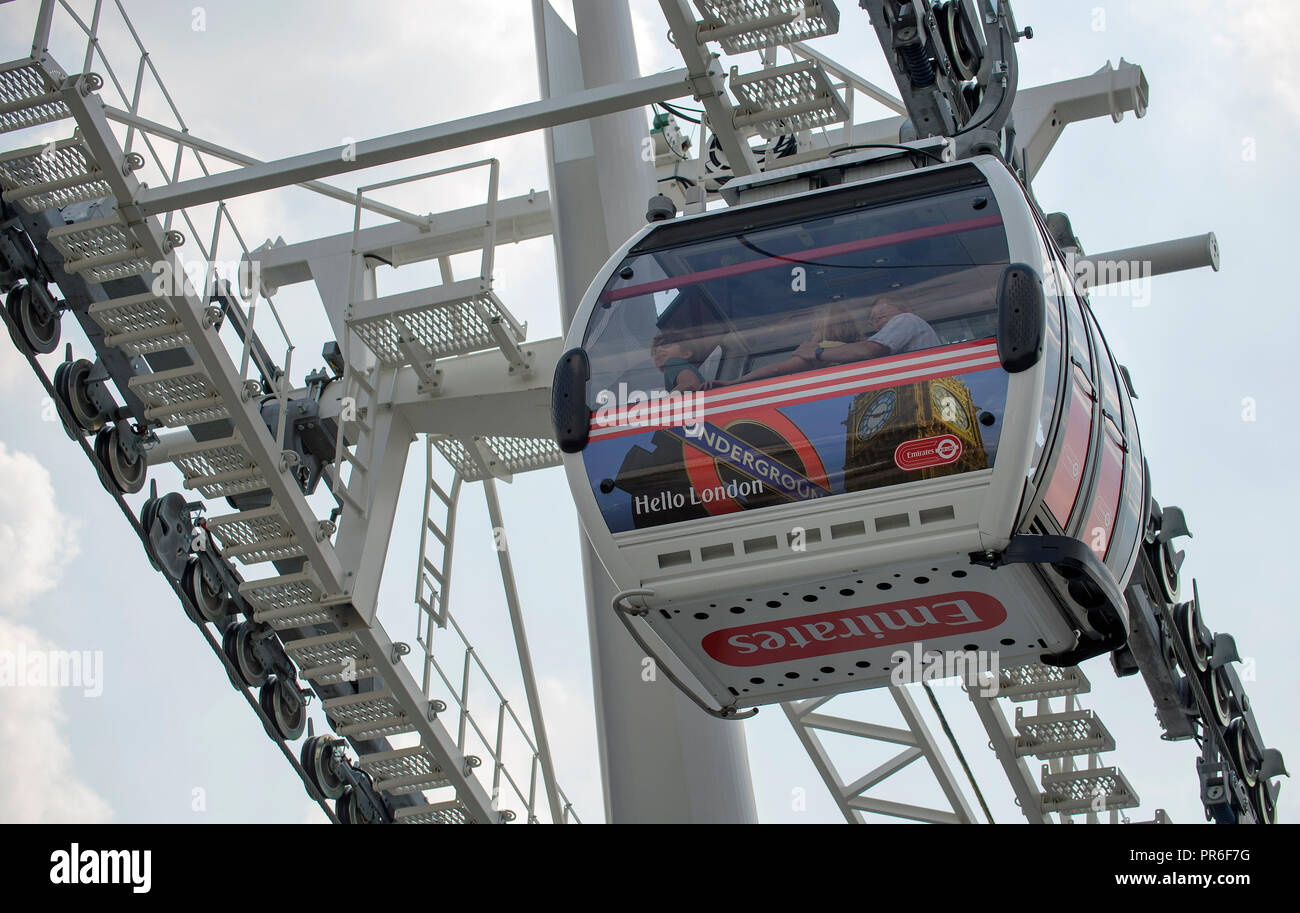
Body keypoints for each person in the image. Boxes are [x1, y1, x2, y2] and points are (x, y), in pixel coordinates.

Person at [707, 300, 864, 387]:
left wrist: (734, 382)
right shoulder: (857, 349)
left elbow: (776, 370)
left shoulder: (824, 350)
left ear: (820, 328)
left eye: (815, 328)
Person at [793, 295, 939, 366]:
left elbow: (870, 349)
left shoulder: (907, 319)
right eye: (873, 318)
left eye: (883, 311)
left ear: (906, 309)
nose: (877, 318)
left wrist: (817, 352)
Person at [651, 328, 712, 392]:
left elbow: (690, 384)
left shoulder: (672, 362)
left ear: (686, 353)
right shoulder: (674, 372)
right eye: (655, 351)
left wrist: (665, 400)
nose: (658, 349)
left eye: (665, 345)